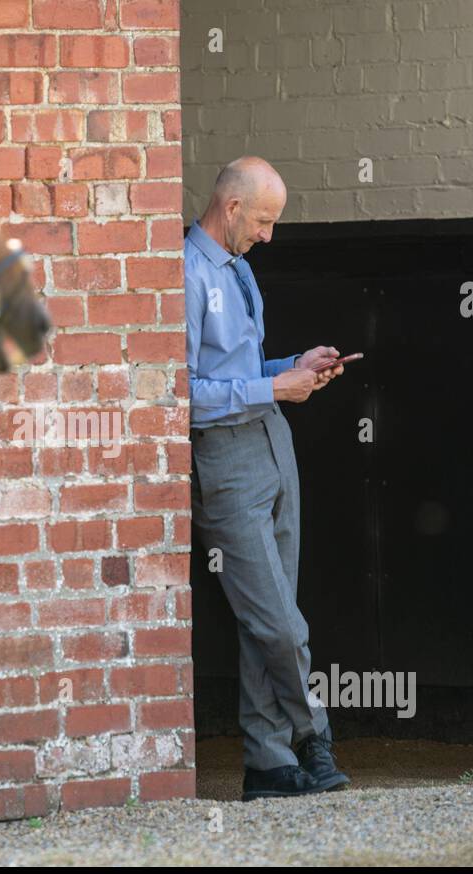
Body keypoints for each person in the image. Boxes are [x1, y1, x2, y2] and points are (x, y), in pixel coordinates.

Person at [185, 156, 351, 800]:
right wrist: (270, 387)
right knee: (281, 621)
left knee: (267, 615)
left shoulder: (242, 271)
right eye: (261, 221)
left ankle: (267, 762)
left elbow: (242, 370)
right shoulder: (186, 275)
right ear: (230, 208)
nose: (268, 235)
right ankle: (313, 735)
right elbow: (182, 393)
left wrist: (293, 365)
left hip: (272, 442)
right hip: (223, 458)